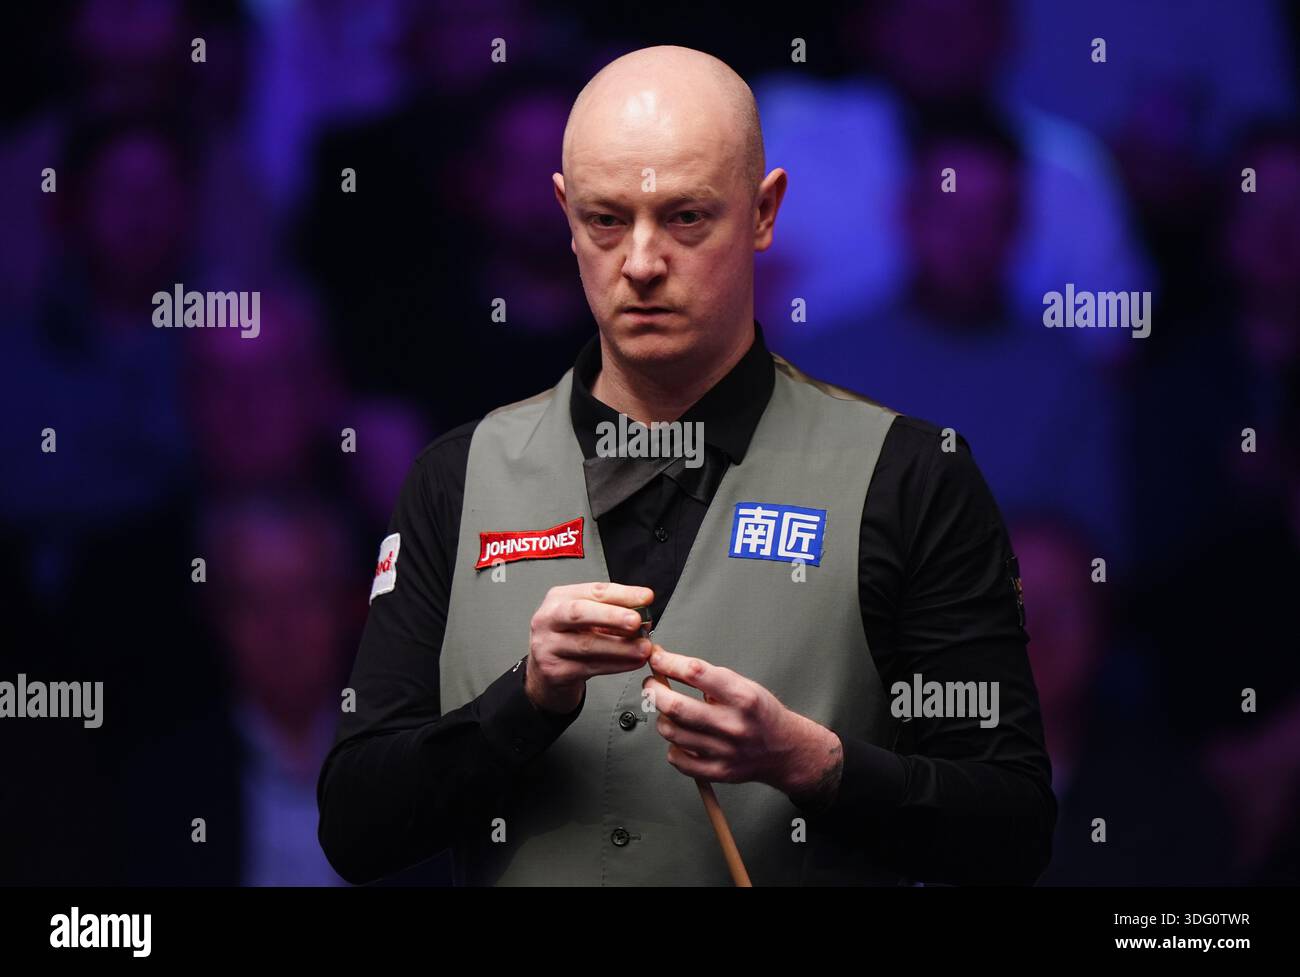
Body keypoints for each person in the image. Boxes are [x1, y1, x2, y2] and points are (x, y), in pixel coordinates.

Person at [317, 45, 1055, 886]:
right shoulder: (456, 479)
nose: (639, 262)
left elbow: (1013, 826)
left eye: (685, 218)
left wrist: (813, 762)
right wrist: (523, 703)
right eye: (604, 219)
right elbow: (354, 823)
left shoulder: (912, 478)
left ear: (765, 210)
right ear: (564, 213)